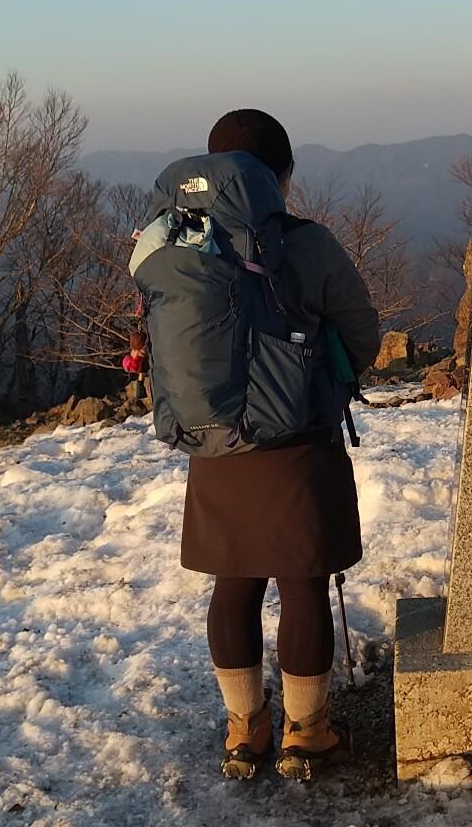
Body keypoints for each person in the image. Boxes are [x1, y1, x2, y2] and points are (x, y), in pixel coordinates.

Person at [175, 109, 380, 782]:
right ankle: (308, 734)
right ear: (283, 176)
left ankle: (245, 733)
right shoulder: (307, 244)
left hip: (215, 447)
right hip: (297, 445)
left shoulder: (178, 243)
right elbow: (362, 335)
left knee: (232, 587)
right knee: (301, 587)